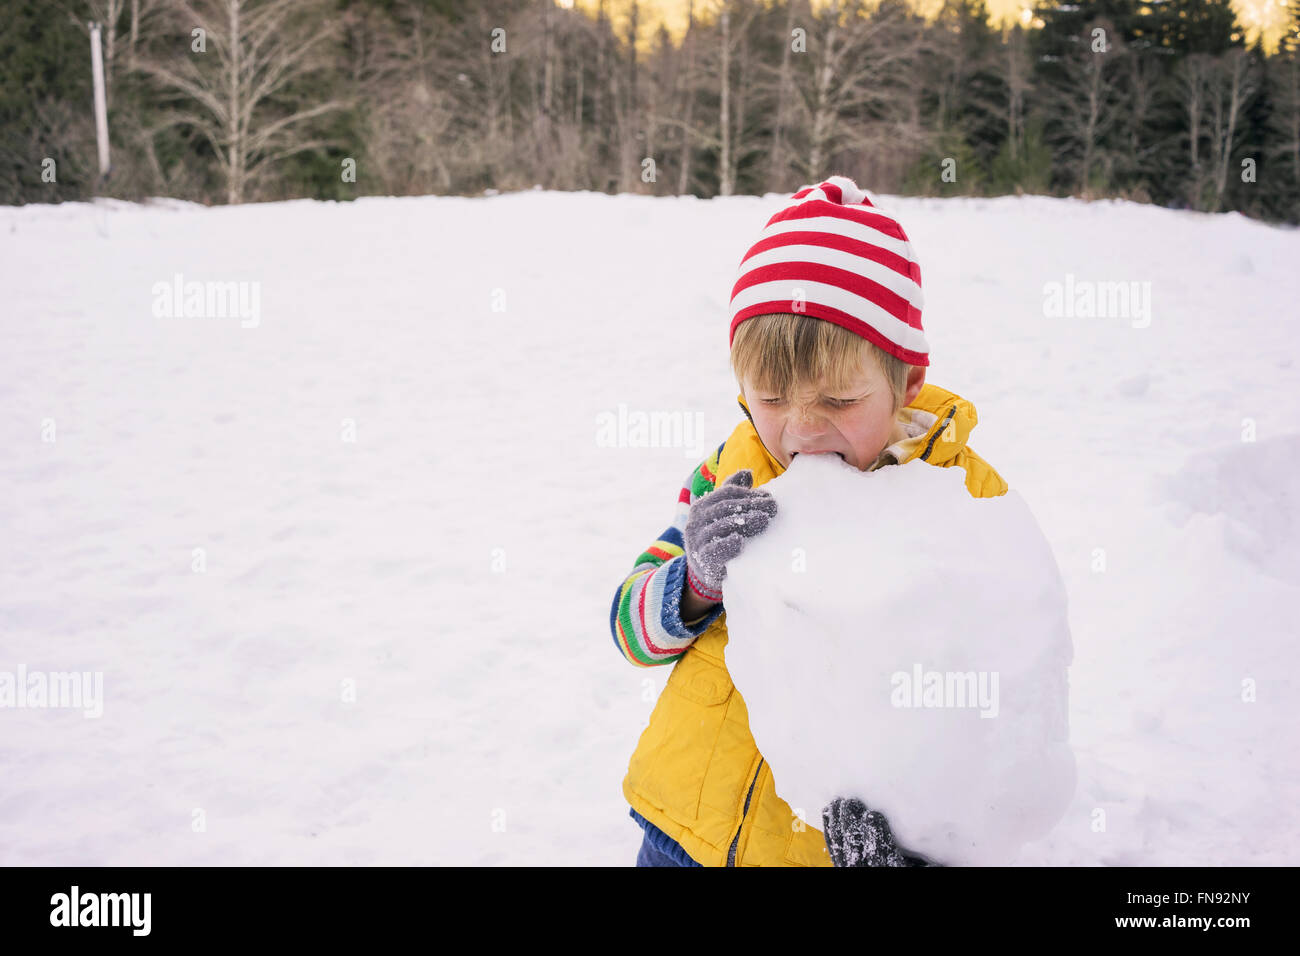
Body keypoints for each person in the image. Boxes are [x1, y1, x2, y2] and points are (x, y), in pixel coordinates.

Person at [610, 175, 1008, 867]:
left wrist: (927, 841)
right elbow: (630, 633)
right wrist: (695, 581)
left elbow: (991, 705)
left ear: (907, 382)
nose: (801, 431)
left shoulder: (961, 502)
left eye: (840, 399)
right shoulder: (734, 474)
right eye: (770, 399)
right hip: (679, 831)